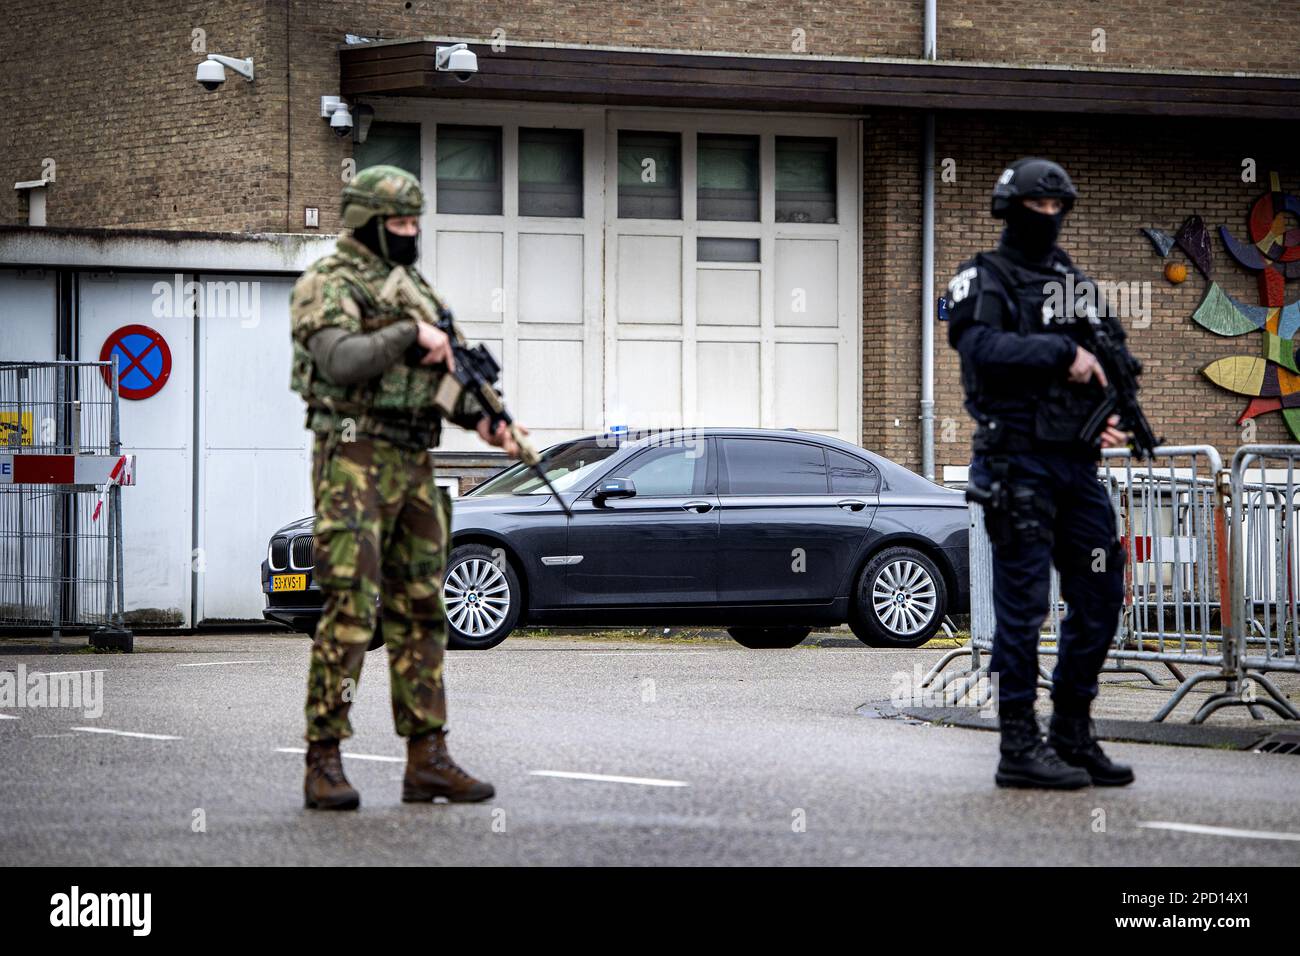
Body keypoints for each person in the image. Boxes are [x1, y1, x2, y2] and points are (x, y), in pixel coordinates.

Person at [290, 164, 523, 810]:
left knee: (424, 608)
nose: (412, 231)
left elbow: (444, 380)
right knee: (353, 611)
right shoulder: (327, 283)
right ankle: (324, 759)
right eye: (399, 222)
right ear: (366, 221)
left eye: (417, 220)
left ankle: (428, 758)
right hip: (354, 455)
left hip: (415, 460)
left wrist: (486, 420)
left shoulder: (416, 287)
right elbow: (341, 358)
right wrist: (407, 334)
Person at [943, 157, 1137, 790]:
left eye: (1058, 209)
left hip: (1076, 466)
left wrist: (1108, 416)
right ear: (1012, 209)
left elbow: (1111, 358)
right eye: (1038, 207)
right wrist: (1062, 353)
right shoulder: (984, 276)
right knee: (1023, 610)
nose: (1048, 218)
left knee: (1102, 594)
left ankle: (1072, 732)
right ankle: (1018, 746)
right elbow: (981, 350)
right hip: (1015, 462)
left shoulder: (1069, 280)